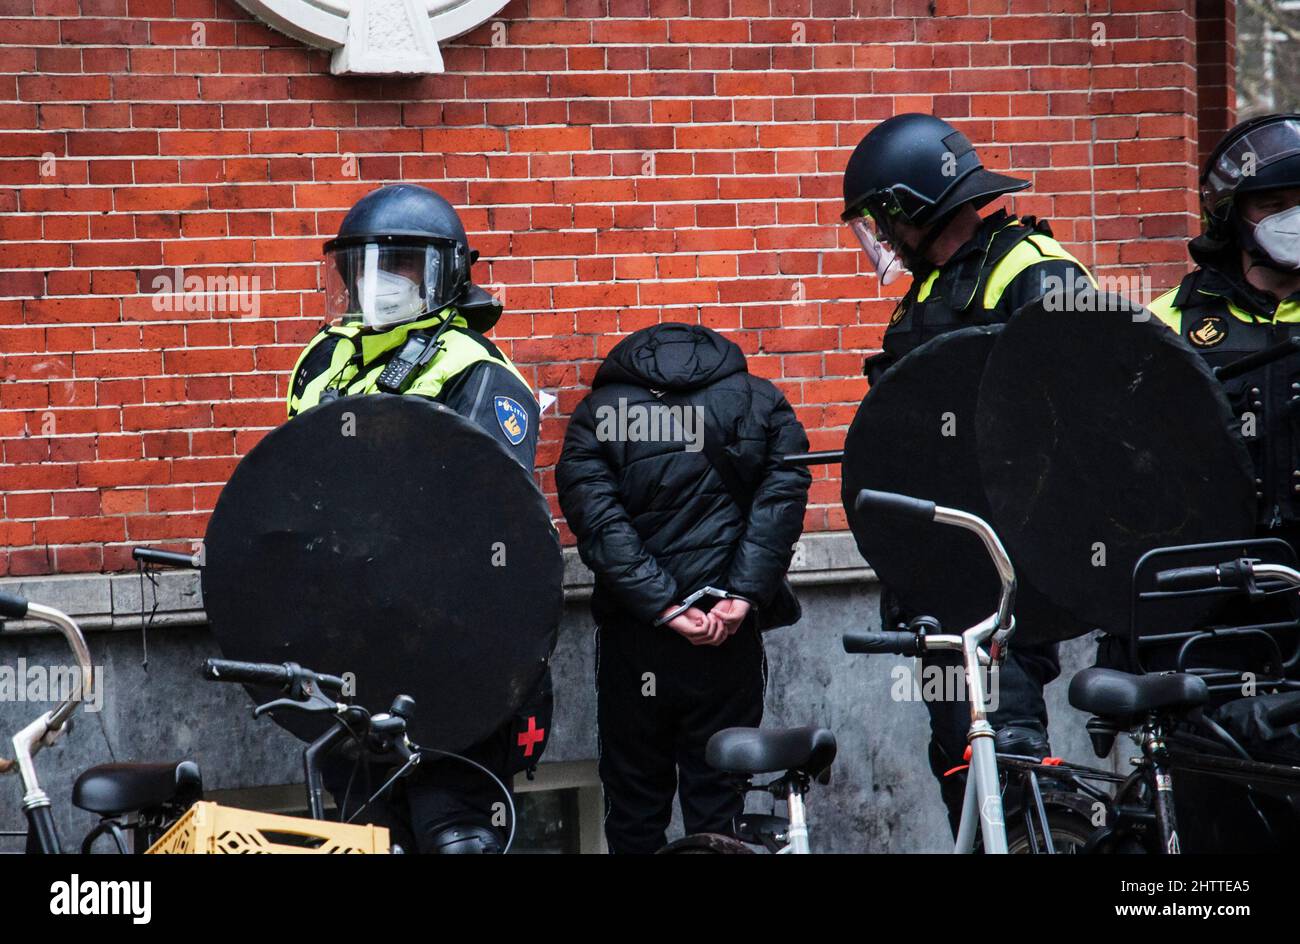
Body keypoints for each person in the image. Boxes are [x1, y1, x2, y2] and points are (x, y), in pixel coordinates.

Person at [840, 113, 1098, 831]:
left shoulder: (1033, 267)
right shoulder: (926, 294)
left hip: (1010, 564)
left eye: (882, 220)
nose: (882, 239)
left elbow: (1085, 406)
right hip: (938, 571)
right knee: (959, 755)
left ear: (912, 206)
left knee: (1008, 754)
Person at [288, 182, 549, 853]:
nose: (381, 280)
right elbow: (287, 487)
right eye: (366, 264)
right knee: (361, 837)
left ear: (445, 275)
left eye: (400, 264)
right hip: (344, 650)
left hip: (448, 654)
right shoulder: (324, 361)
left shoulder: (476, 370)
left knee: (454, 831)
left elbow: (489, 517)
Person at [556, 322, 811, 854]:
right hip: (728, 637)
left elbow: (600, 525)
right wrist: (742, 595)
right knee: (720, 800)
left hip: (636, 641)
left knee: (633, 803)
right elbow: (780, 504)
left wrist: (663, 605)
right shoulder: (760, 400)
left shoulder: (599, 415)